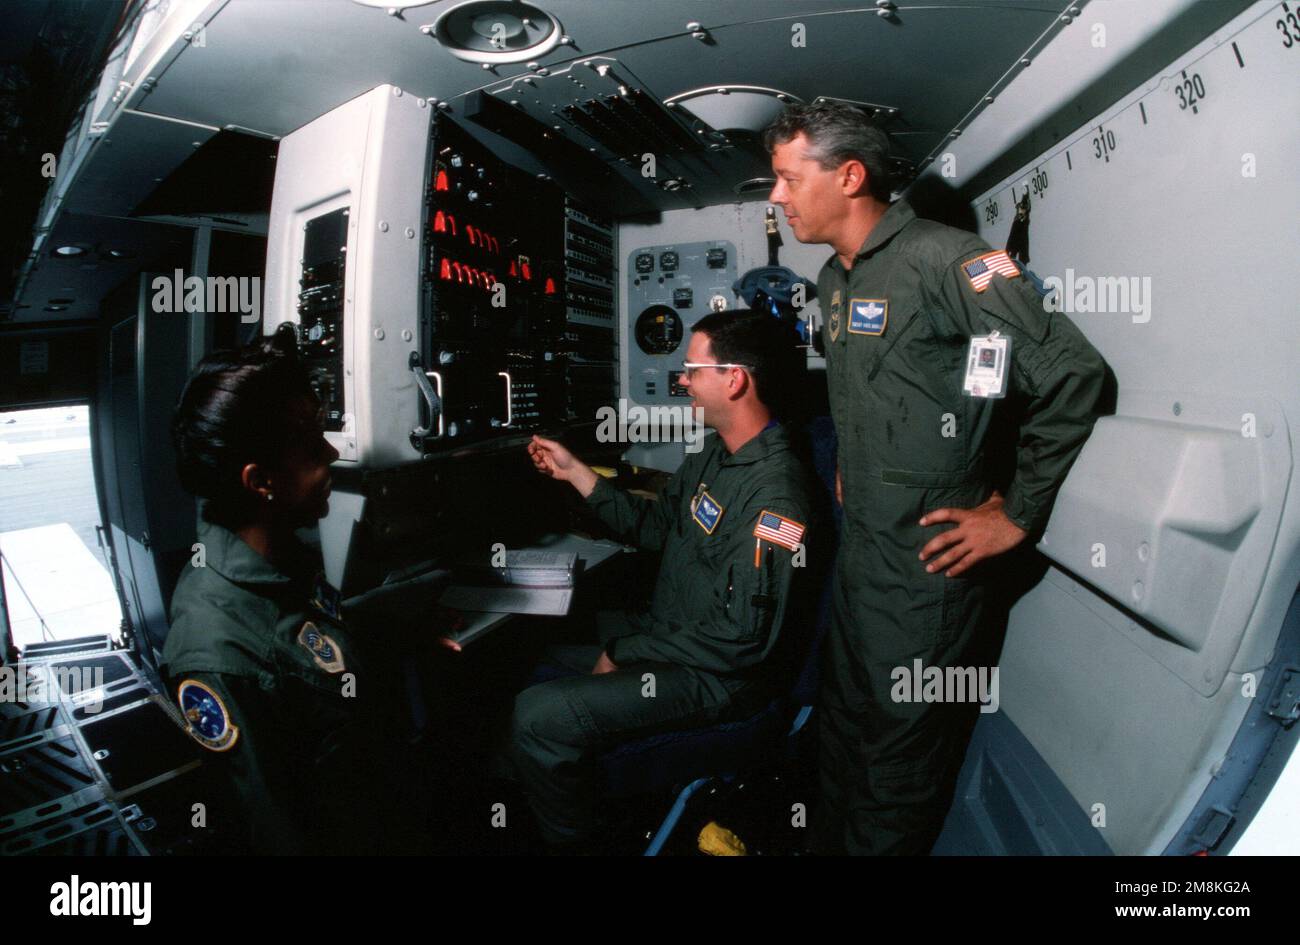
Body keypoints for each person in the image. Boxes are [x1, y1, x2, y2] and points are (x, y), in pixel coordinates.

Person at [764, 102, 1107, 854]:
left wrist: (1016, 514)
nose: (776, 198)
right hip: (862, 563)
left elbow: (1074, 376)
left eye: (789, 178)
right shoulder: (832, 278)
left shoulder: (949, 260)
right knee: (842, 730)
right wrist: (854, 466)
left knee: (895, 768)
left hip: (929, 576)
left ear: (849, 176)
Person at [510, 310, 820, 851]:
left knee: (538, 717)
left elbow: (742, 638)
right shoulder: (713, 455)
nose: (681, 381)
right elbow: (653, 528)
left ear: (734, 379)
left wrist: (626, 650)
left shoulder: (776, 496)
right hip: (673, 636)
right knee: (536, 650)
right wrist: (574, 471)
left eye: (692, 370)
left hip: (720, 675)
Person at [162, 337, 424, 854]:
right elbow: (276, 831)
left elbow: (310, 642)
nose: (330, 453)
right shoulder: (217, 656)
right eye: (309, 445)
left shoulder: (280, 551)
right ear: (260, 481)